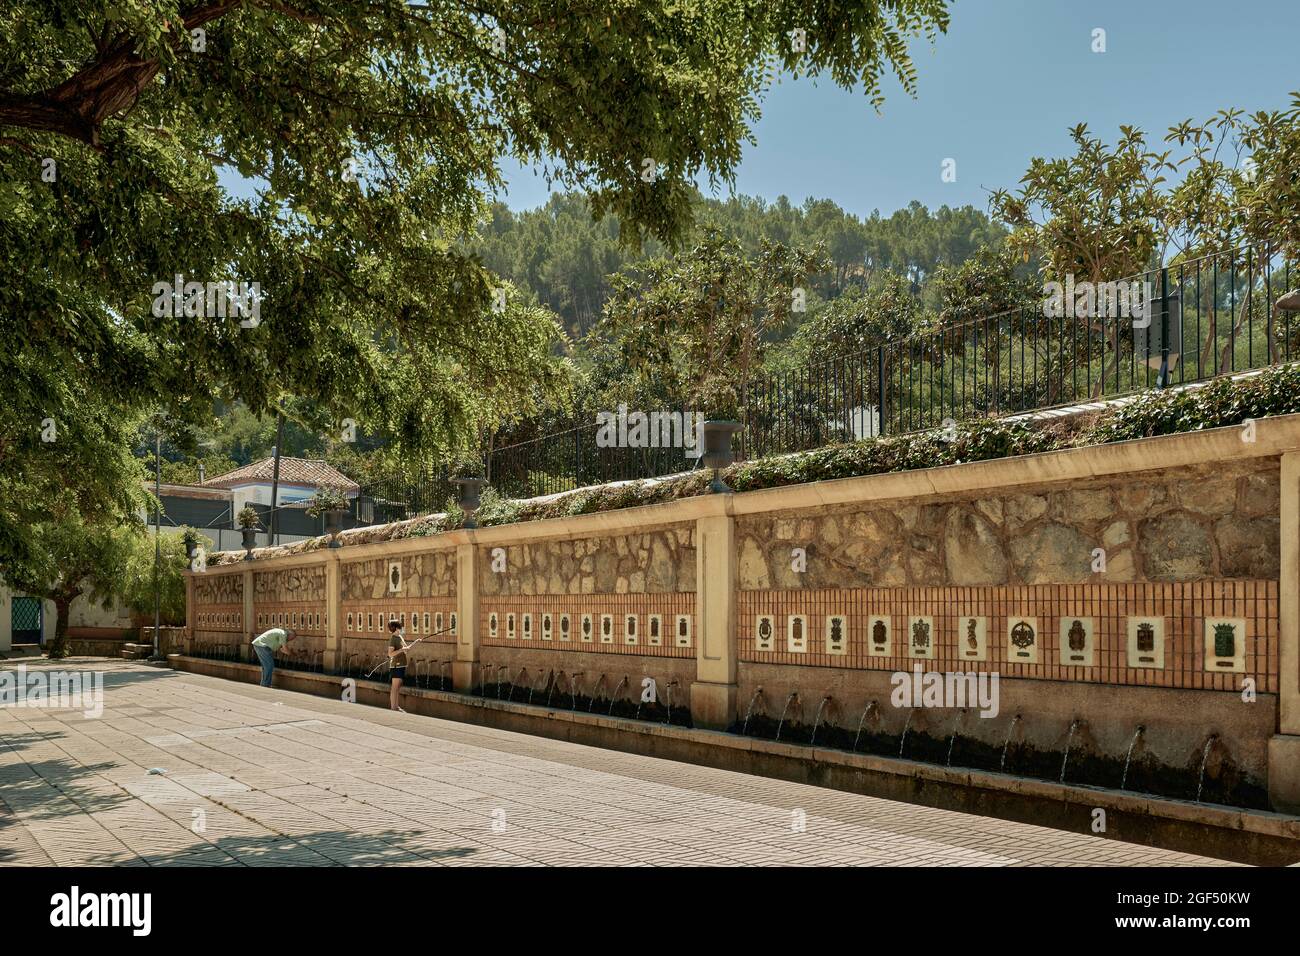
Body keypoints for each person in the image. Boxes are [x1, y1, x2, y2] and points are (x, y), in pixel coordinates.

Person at [387, 619, 410, 712]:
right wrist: (401, 650)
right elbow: (390, 654)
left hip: (401, 665)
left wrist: (406, 647)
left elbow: (406, 649)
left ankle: (396, 706)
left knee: (398, 687)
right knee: (394, 687)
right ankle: (393, 707)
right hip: (396, 665)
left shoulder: (399, 637)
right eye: (400, 626)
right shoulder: (393, 638)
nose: (401, 628)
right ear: (396, 628)